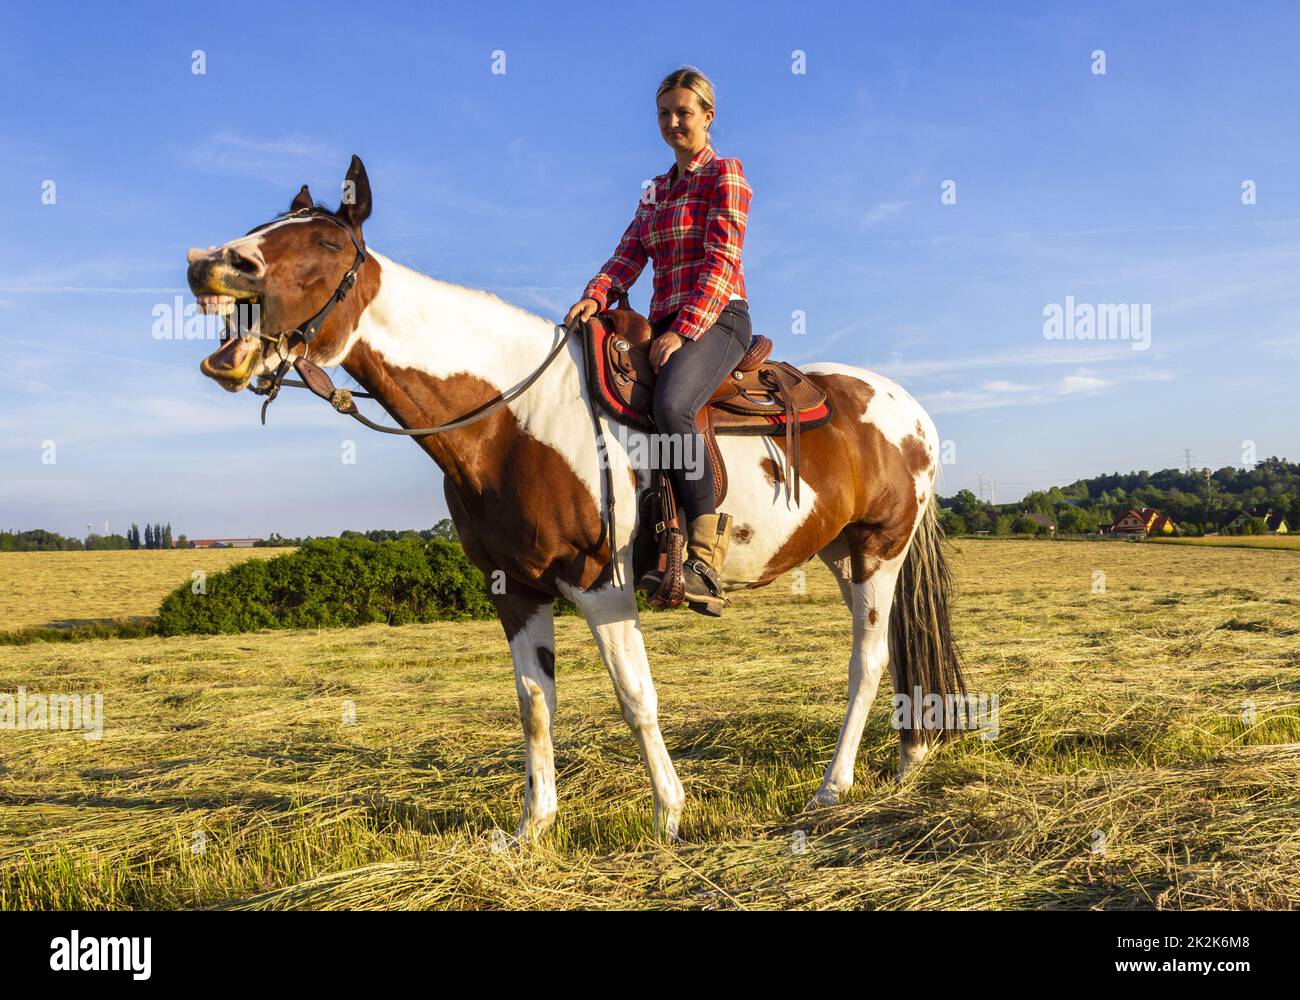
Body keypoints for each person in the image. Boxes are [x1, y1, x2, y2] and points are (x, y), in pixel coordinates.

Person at [566, 66, 754, 616]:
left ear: (707, 116)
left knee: (672, 403)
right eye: (665, 113)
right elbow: (628, 254)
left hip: (718, 318)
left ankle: (704, 556)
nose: (673, 122)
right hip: (664, 323)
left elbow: (722, 263)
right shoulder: (654, 191)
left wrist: (684, 330)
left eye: (684, 112)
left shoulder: (726, 175)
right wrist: (596, 296)